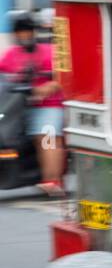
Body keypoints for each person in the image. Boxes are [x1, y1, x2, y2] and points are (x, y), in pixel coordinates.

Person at [0, 15, 65, 195]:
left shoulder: (50, 51)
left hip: (48, 105)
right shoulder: (10, 55)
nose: (24, 35)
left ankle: (52, 180)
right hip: (17, 107)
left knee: (47, 136)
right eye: (20, 32)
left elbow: (64, 78)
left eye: (27, 31)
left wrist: (46, 88)